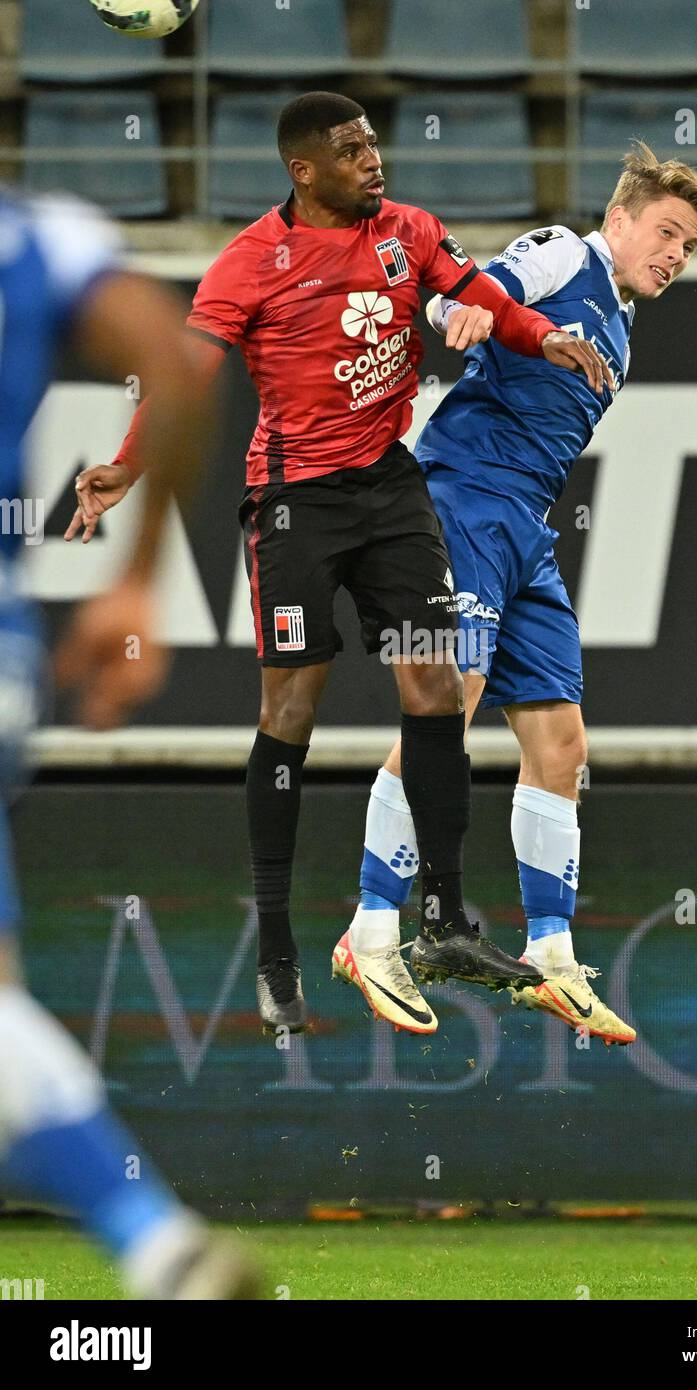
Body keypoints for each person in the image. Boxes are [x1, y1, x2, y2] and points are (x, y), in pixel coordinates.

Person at [67, 91, 614, 1038]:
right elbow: (187, 375)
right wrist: (126, 462)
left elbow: (479, 297)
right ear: (303, 169)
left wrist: (547, 335)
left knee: (435, 685)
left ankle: (439, 922)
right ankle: (277, 955)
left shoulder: (409, 232)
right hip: (294, 507)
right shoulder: (249, 264)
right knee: (290, 713)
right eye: (353, 151)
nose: (375, 162)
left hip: (391, 493)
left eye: (374, 145)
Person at [352, 143, 697, 1043]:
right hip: (461, 503)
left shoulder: (623, 327)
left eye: (688, 246)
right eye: (666, 232)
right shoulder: (566, 252)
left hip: (524, 528)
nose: (674, 253)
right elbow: (463, 288)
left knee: (560, 744)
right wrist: (459, 314)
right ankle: (371, 929)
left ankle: (552, 955)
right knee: (450, 707)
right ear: (620, 219)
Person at [0, 186, 259, 1295]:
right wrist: (137, 576)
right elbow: (173, 353)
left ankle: (149, 1234)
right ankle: (154, 1241)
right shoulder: (36, 232)